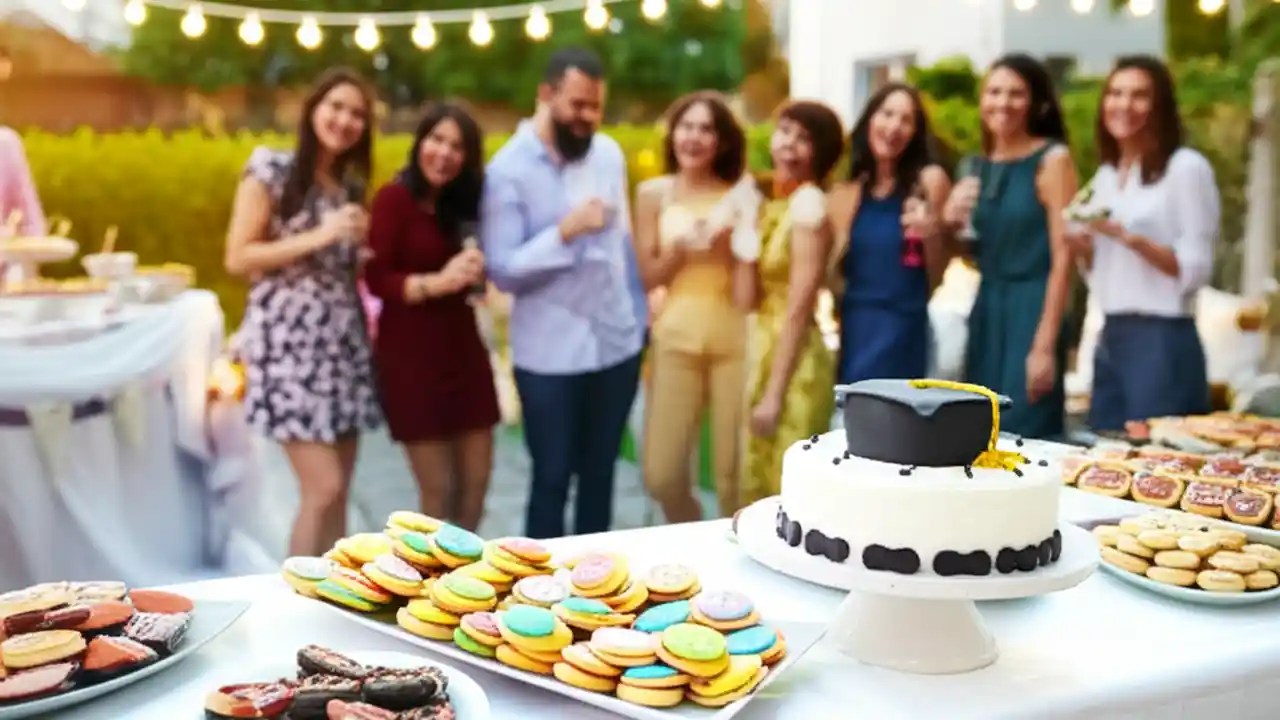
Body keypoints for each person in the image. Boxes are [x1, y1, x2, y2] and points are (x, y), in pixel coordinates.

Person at [480, 47, 647, 539]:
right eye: (578, 105)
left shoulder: (609, 153)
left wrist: (640, 320)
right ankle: (537, 598)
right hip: (549, 358)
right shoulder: (507, 170)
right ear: (546, 94)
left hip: (616, 347)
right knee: (551, 481)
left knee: (601, 479)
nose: (589, 118)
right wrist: (565, 232)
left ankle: (596, 595)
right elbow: (504, 269)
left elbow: (623, 245)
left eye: (596, 106)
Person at [224, 68, 382, 556]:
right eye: (336, 106)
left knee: (339, 499)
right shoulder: (270, 170)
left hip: (343, 349)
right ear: (313, 108)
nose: (345, 120)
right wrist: (323, 234)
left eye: (357, 113)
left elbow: (343, 270)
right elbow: (238, 257)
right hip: (289, 349)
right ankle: (296, 603)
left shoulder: (347, 189)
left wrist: (364, 250)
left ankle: (335, 606)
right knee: (323, 488)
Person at [364, 103, 499, 531]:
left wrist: (478, 274)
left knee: (476, 484)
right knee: (437, 491)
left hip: (464, 353)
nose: (444, 153)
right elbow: (376, 276)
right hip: (410, 360)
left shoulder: (463, 207)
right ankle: (423, 586)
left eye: (457, 146)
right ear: (419, 143)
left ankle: (462, 584)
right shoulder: (393, 199)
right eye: (436, 140)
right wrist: (436, 283)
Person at [1064, 55, 1217, 430]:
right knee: (1107, 453)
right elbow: (1102, 275)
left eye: (1139, 95)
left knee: (1162, 459)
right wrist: (1082, 246)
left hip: (1162, 339)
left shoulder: (1186, 168)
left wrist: (1128, 237)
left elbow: (1194, 270)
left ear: (1160, 105)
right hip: (1112, 335)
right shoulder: (1107, 175)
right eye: (1115, 93)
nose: (1123, 105)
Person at [634, 92, 759, 522]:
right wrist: (681, 252)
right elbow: (647, 276)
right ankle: (688, 533)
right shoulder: (653, 195)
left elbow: (750, 291)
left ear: (722, 142)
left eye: (707, 129)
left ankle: (737, 558)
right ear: (673, 134)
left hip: (732, 340)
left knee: (731, 477)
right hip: (675, 337)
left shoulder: (742, 196)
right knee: (661, 474)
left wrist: (735, 249)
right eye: (687, 126)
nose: (695, 137)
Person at [943, 54, 1077, 439]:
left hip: (1032, 307)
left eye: (1016, 93)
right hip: (987, 307)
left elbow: (1063, 255)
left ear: (1037, 103)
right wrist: (951, 224)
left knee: (1025, 430)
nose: (1003, 102)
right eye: (994, 92)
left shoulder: (1052, 160)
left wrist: (1045, 344)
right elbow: (972, 254)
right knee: (979, 431)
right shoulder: (974, 167)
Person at [741, 100, 844, 505]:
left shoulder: (809, 206)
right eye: (785, 131)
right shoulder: (776, 203)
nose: (790, 144)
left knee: (783, 487)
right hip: (762, 344)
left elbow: (801, 306)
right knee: (753, 481)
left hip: (794, 357)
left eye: (805, 138)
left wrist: (774, 393)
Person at [829, 83, 952, 387]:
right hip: (854, 324)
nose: (894, 127)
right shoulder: (847, 190)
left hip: (903, 324)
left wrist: (930, 235)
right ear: (870, 119)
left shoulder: (929, 182)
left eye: (906, 119)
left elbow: (937, 274)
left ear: (915, 132)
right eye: (887, 114)